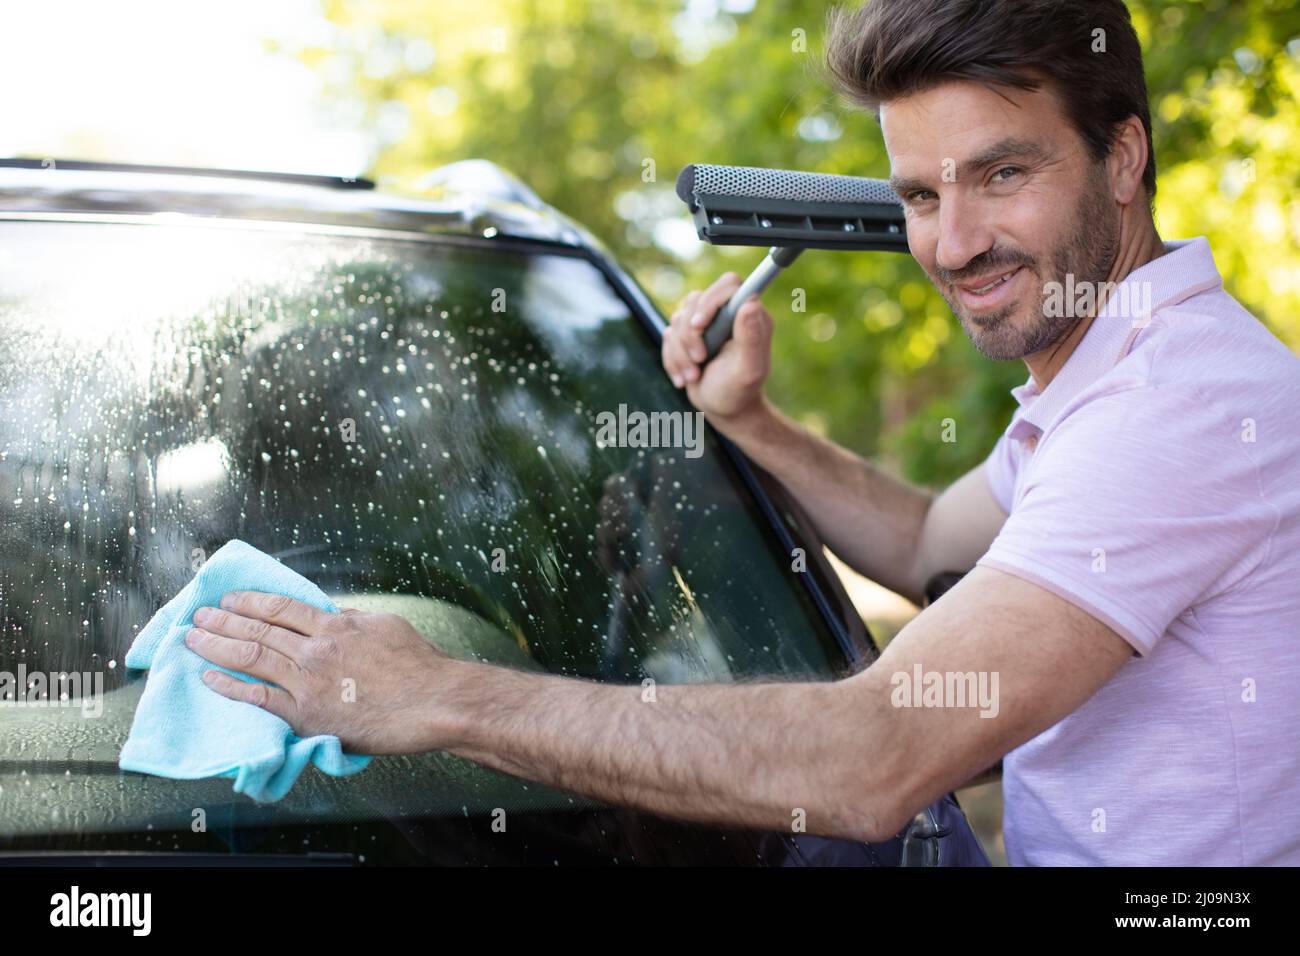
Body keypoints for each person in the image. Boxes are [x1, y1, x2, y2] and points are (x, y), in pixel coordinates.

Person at [186, 0, 1300, 865]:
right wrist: (753, 426)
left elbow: (874, 758)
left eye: (1002, 173)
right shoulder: (1106, 381)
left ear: (1121, 156)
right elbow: (932, 549)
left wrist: (441, 692)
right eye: (919, 195)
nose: (954, 244)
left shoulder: (1180, 409)